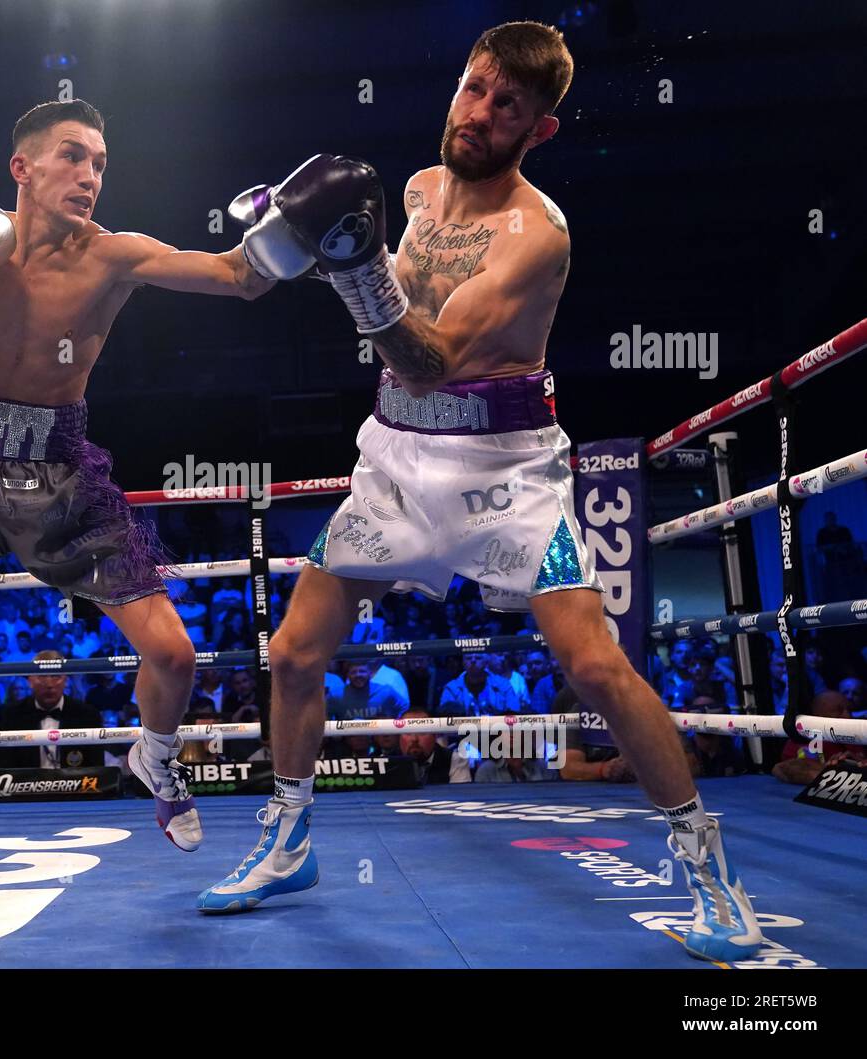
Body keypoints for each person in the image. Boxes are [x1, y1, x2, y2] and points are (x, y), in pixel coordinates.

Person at [198, 22, 763, 962]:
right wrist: (284, 235)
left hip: (505, 472)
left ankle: (708, 868)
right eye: (475, 90)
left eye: (510, 107)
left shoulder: (536, 235)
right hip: (394, 462)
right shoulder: (416, 191)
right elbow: (310, 303)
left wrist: (350, 264)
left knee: (593, 667)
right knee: (294, 651)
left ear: (538, 130)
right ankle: (289, 836)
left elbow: (427, 359)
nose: (482, 114)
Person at [0, 98, 275, 954]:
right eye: (74, 156)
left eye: (102, 161)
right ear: (21, 169)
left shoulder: (114, 255)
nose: (92, 174)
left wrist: (286, 228)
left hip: (61, 471)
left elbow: (235, 276)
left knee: (175, 655)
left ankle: (155, 754)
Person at [0, 650, 104, 769]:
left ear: (65, 680)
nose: (49, 684)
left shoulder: (87, 714)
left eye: (55, 676)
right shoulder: (12, 715)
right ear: (30, 680)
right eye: (42, 676)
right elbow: (5, 766)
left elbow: (96, 768)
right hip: (27, 784)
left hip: (74, 785)